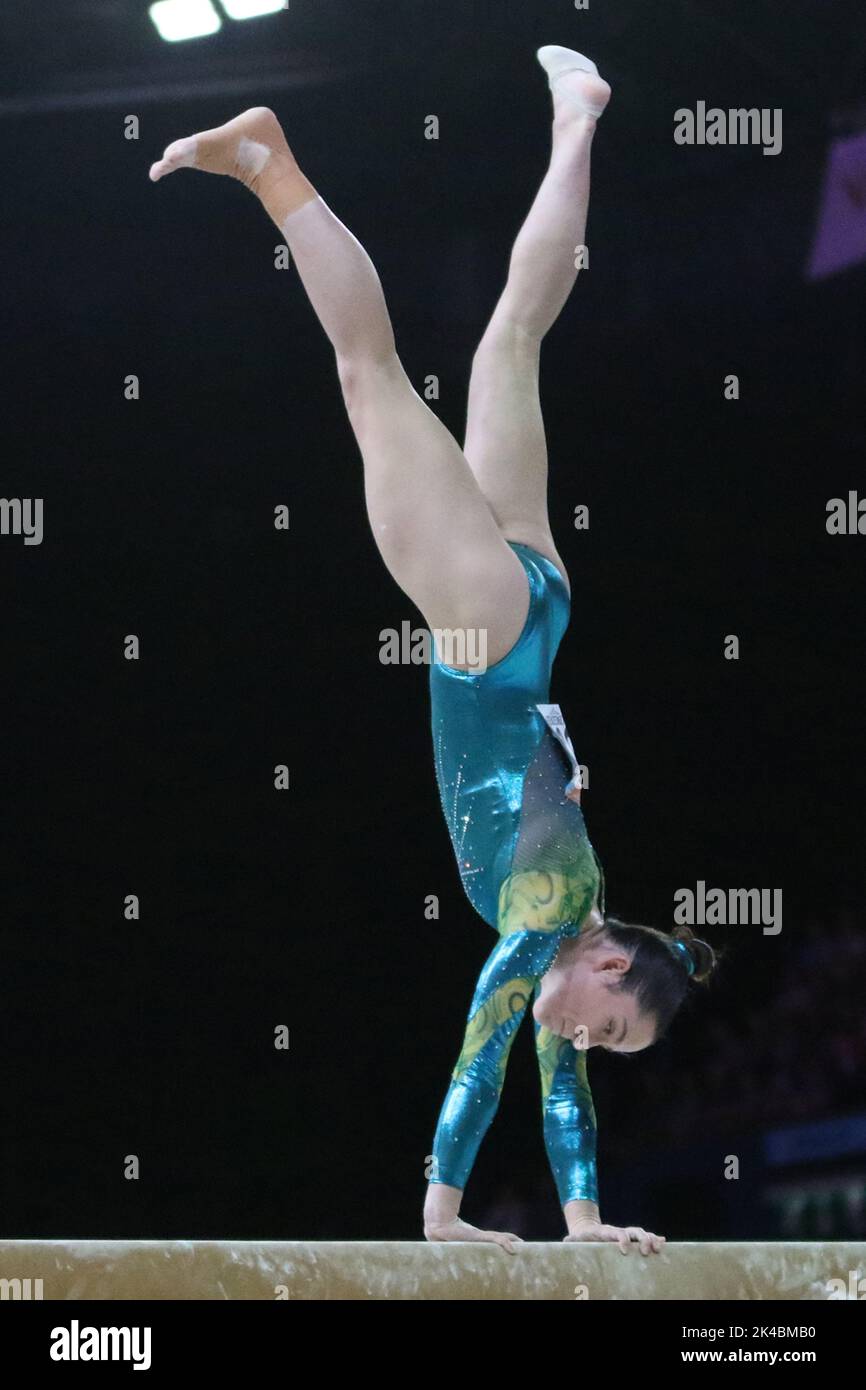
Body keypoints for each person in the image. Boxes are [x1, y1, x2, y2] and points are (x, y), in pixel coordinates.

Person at [149, 44, 716, 1256]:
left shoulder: (574, 912)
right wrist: (443, 1216)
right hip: (482, 633)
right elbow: (485, 1036)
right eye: (608, 1028)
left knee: (511, 341)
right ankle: (272, 167)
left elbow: (552, 1078)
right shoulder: (551, 905)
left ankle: (576, 121)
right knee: (369, 374)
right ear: (610, 962)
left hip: (532, 613)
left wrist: (583, 1221)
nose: (583, 1046)